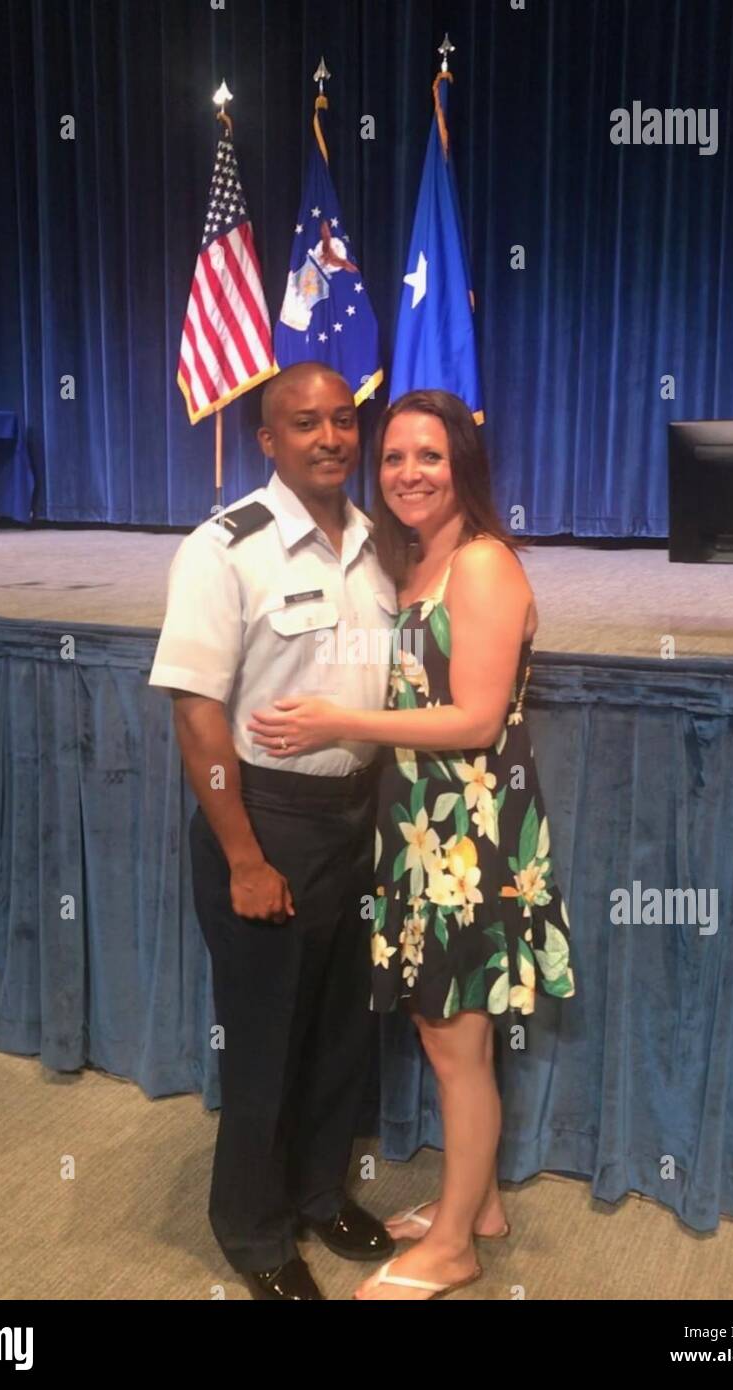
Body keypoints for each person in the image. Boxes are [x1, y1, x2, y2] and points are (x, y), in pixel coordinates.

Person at [248, 388, 576, 1300]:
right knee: (454, 1039)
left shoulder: (479, 565)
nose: (406, 473)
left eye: (427, 456)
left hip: (471, 840)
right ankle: (476, 1207)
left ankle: (458, 1249)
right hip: (424, 836)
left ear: (462, 463)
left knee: (453, 1043)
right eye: (392, 458)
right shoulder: (421, 559)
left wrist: (334, 723)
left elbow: (474, 718)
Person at [149, 362, 399, 1300]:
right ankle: (252, 1232)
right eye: (306, 424)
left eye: (343, 420)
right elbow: (195, 714)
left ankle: (317, 1195)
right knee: (264, 1040)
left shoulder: (377, 545)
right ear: (267, 440)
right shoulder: (225, 550)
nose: (331, 437)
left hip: (353, 819)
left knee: (340, 1030)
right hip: (265, 820)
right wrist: (244, 857)